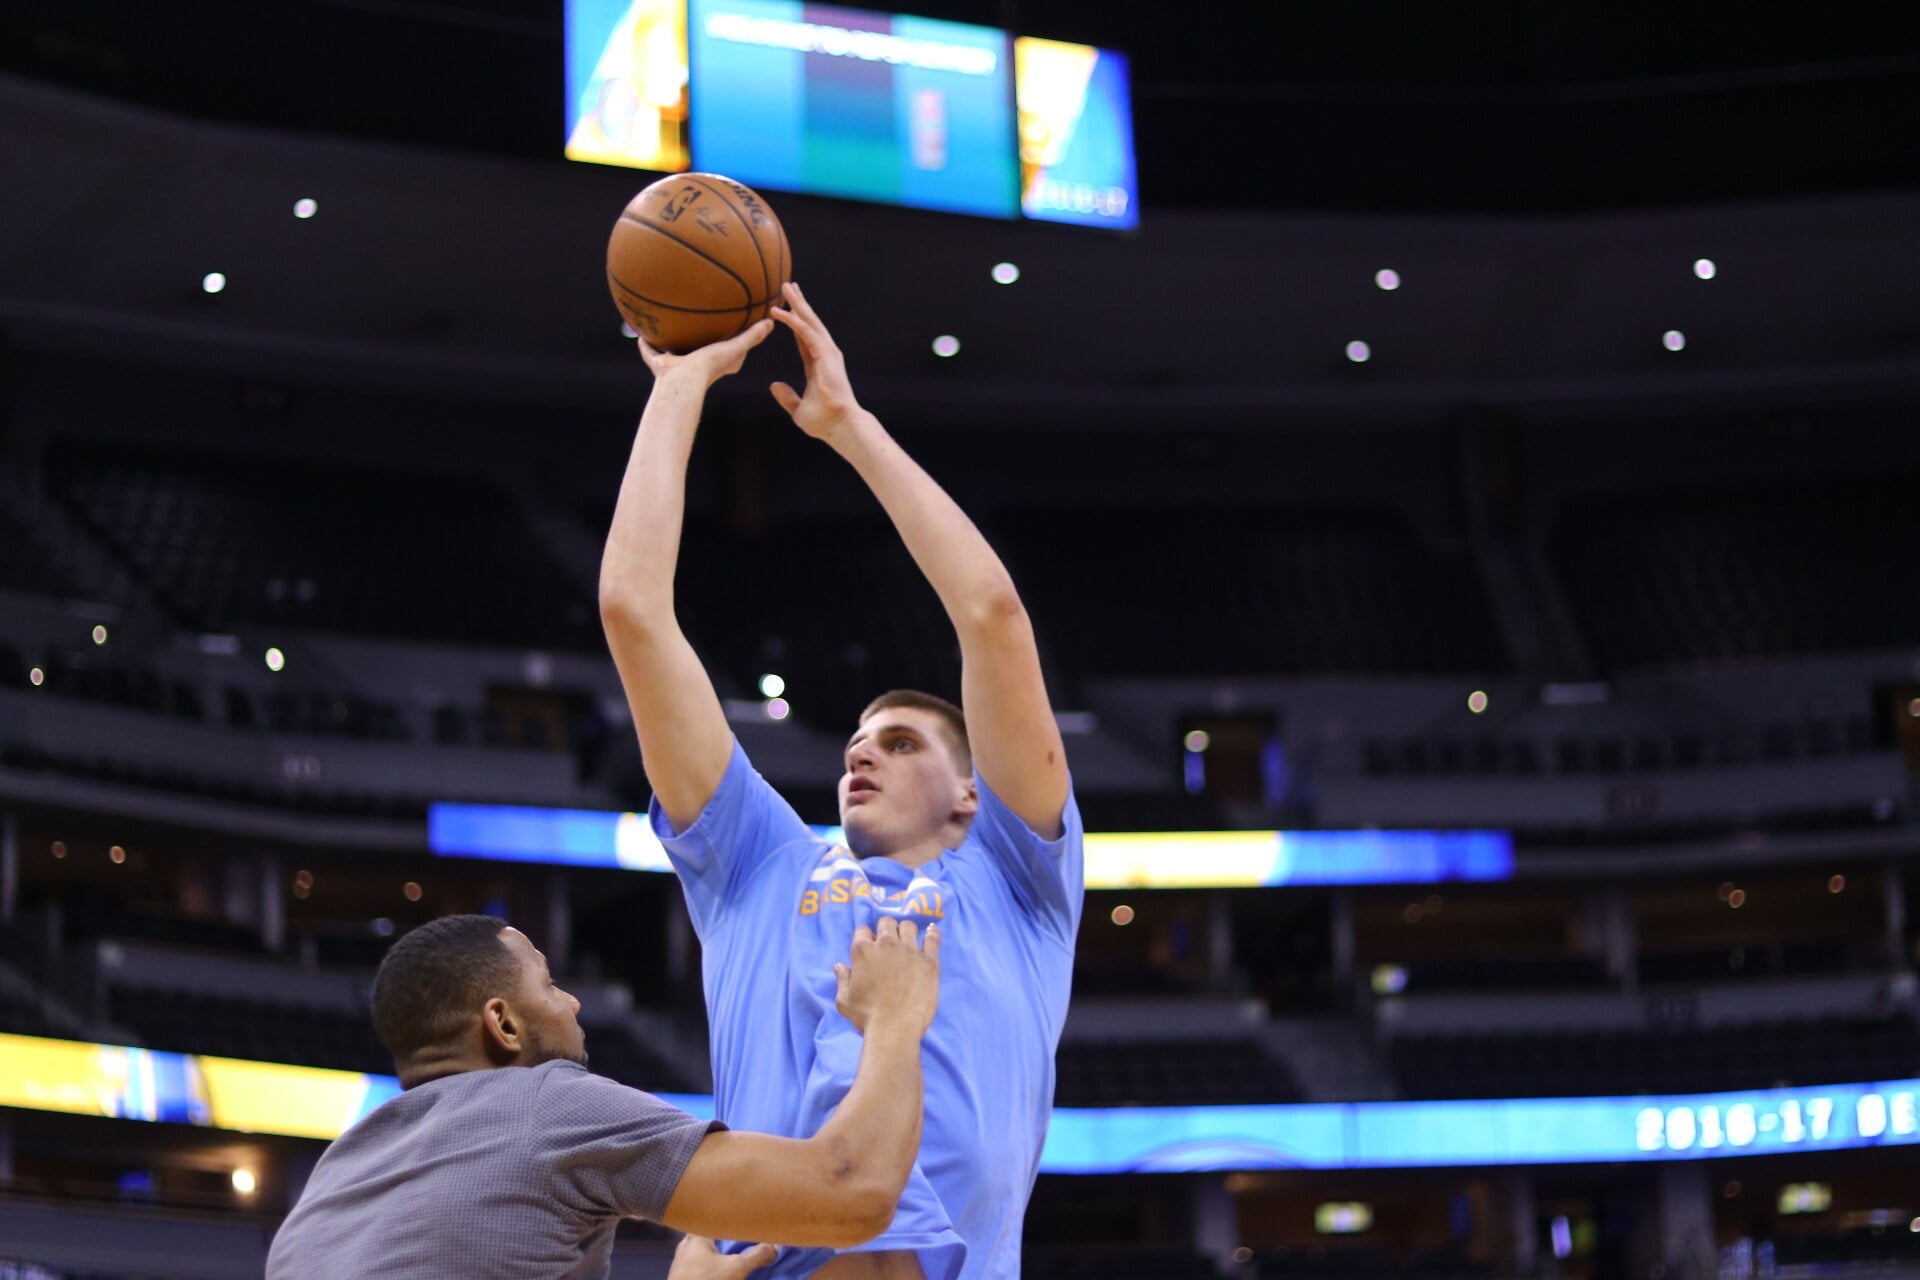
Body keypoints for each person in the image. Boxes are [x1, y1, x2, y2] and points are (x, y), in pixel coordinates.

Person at [600, 284, 1085, 1280]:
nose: (860, 752)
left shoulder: (1019, 879)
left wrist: (851, 429)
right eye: (858, 740)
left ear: (971, 796)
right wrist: (679, 387)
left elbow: (992, 612)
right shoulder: (759, 865)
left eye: (901, 741)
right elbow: (633, 610)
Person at [264, 912, 939, 1280]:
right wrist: (895, 1019)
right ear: (503, 1024)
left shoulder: (336, 1174)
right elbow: (851, 1193)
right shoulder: (544, 1104)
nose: (572, 1001)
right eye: (550, 984)